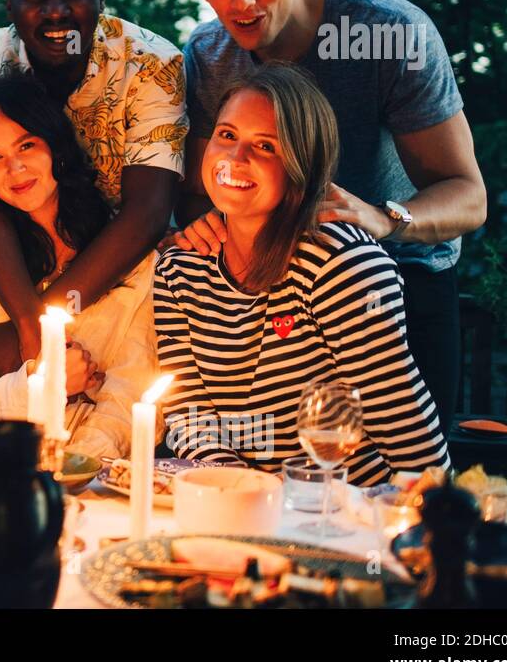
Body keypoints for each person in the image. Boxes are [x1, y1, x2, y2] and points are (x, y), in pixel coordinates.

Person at [174, 0, 487, 421]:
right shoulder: (207, 54)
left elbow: (468, 196)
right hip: (269, 292)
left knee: (409, 490)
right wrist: (203, 222)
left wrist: (385, 219)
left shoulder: (391, 33)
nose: (239, 1)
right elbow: (204, 186)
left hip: (397, 281)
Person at [154, 65, 449, 486]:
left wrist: (438, 522)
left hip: (349, 510)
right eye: (227, 135)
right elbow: (187, 409)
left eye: (266, 146)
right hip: (241, 505)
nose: (235, 159)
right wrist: (237, 488)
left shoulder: (342, 263)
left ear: (302, 166)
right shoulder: (179, 269)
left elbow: (403, 426)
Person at [0, 0, 186, 394]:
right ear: (8, 1)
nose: (55, 11)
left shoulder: (151, 63)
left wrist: (30, 336)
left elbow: (147, 212)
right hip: (22, 256)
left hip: (122, 263)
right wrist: (29, 325)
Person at [0, 75, 156, 459]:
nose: (15, 169)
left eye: (27, 145)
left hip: (105, 473)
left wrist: (80, 465)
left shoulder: (128, 253)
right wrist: (48, 382)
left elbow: (133, 391)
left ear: (56, 145)